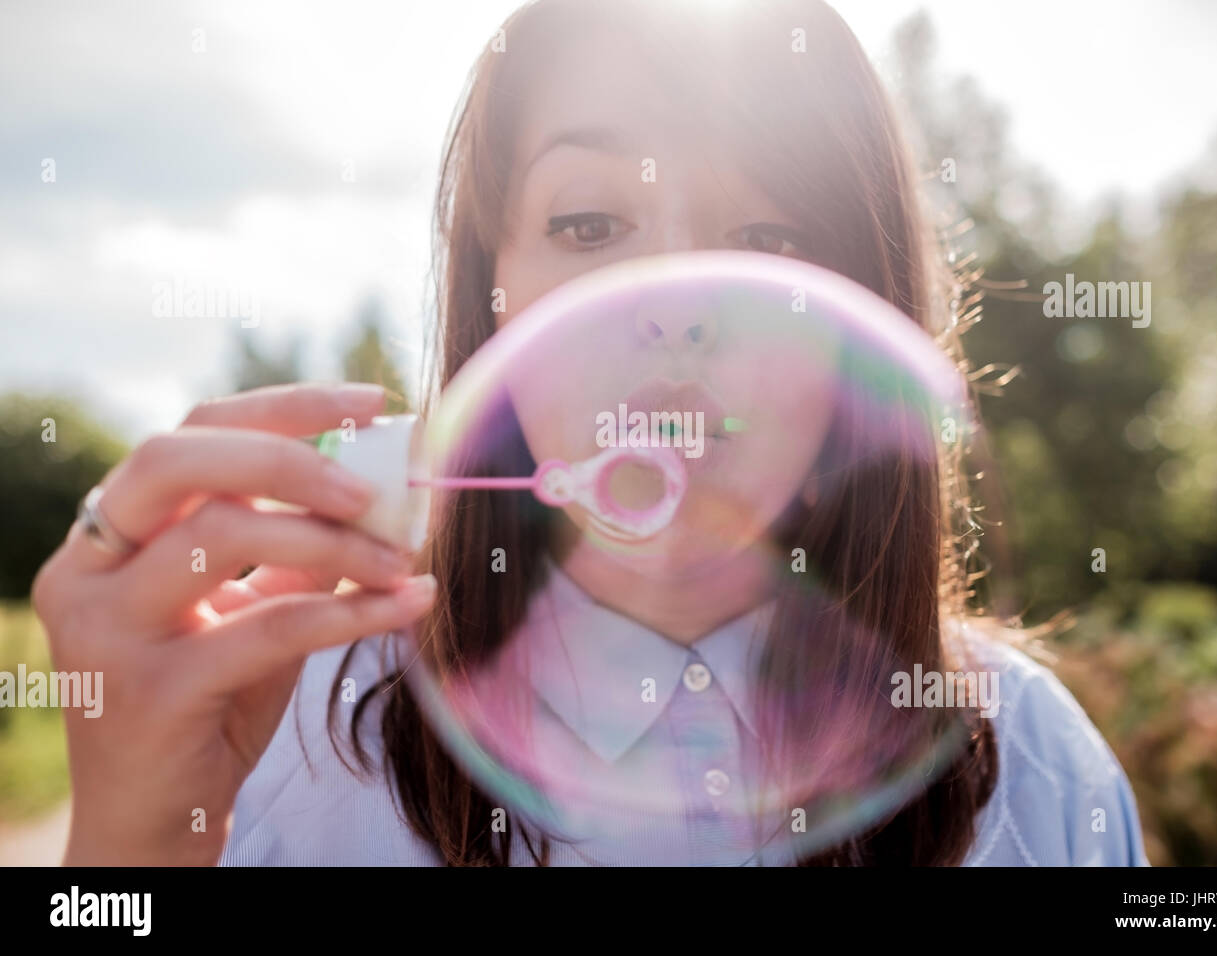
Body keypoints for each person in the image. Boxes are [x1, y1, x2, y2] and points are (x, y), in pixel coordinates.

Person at [33, 0, 1147, 866]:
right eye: (588, 221)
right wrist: (129, 846)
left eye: (772, 235)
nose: (675, 300)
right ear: (493, 289)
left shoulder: (1033, 761)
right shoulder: (279, 719)